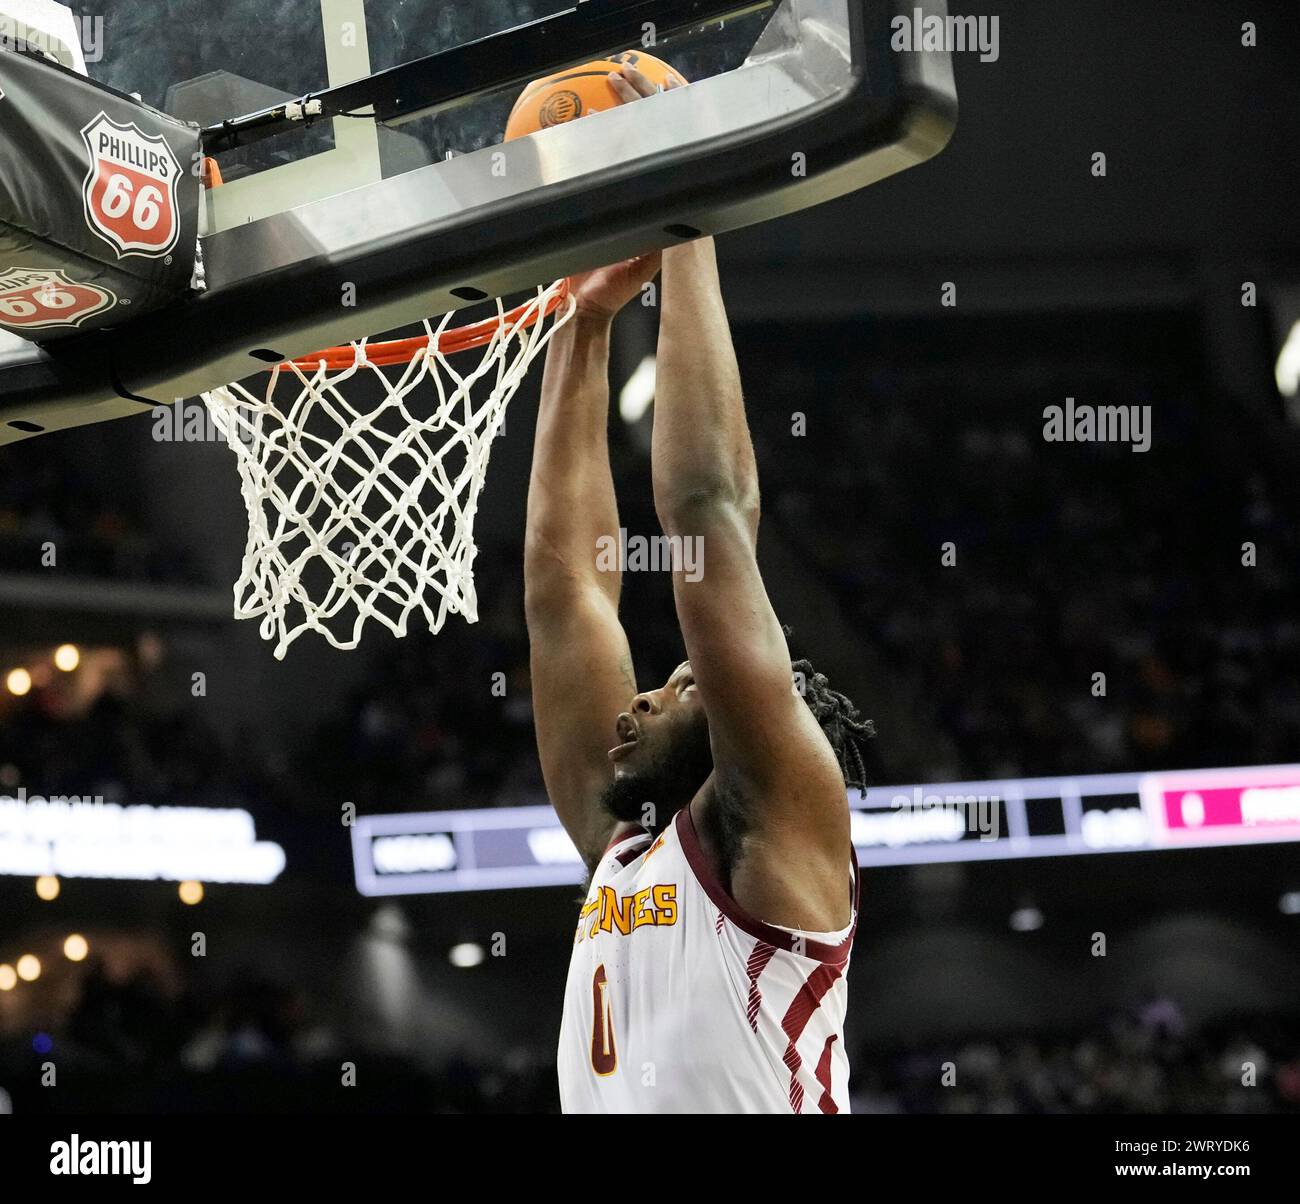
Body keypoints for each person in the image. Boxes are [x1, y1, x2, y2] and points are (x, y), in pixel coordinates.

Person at [524, 63, 874, 1115]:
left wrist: (690, 219)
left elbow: (707, 514)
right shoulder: (637, 845)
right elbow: (565, 593)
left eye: (668, 686)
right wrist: (581, 327)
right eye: (674, 685)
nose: (637, 699)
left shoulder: (783, 830)